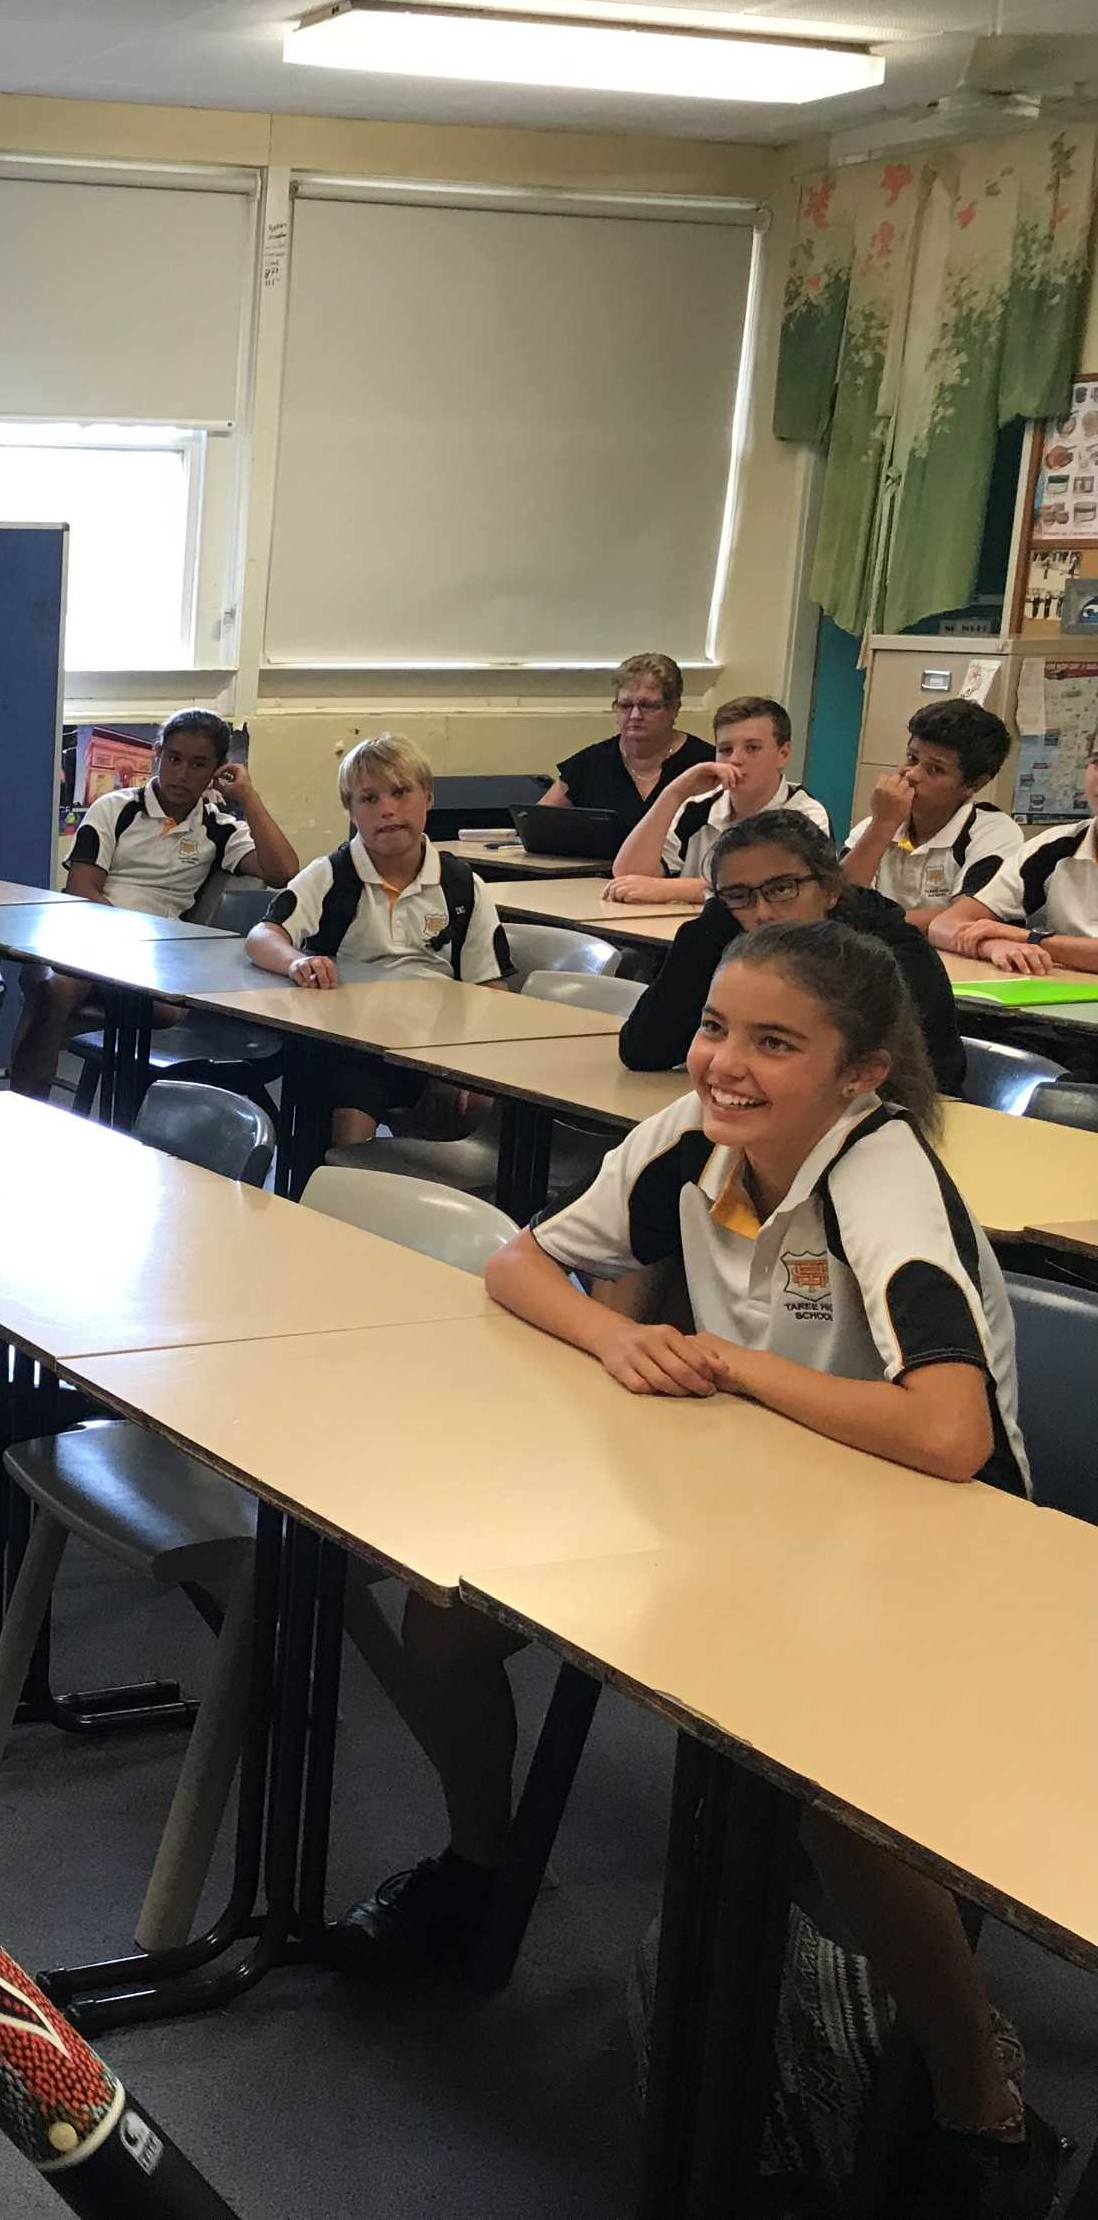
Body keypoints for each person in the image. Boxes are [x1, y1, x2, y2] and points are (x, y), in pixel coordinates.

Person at [353, 919, 1054, 2218]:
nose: (727, 1062)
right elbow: (519, 1261)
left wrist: (731, 1362)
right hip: (743, 1505)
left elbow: (951, 1434)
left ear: (860, 1072)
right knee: (444, 1618)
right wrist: (612, 1340)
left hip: (933, 1548)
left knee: (839, 1799)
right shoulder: (696, 1135)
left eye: (775, 1042)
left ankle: (980, 2100)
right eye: (718, 1027)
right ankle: (478, 1869)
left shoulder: (879, 1174)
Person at [5, 709, 302, 1099]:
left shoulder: (219, 829)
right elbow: (82, 889)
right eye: (174, 758)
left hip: (156, 962)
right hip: (90, 940)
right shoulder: (114, 809)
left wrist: (248, 796)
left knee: (151, 1007)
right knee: (51, 987)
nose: (182, 773)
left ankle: (110, 1110)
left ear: (217, 771)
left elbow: (284, 871)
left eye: (198, 765)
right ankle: (26, 1110)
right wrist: (121, 941)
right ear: (157, 754)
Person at [245, 734, 509, 1152]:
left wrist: (469, 1061)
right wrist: (296, 961)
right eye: (369, 799)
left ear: (428, 798)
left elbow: (491, 988)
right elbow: (263, 934)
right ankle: (345, 1176)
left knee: (485, 1101)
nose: (387, 809)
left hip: (435, 1045)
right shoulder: (332, 874)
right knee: (351, 1093)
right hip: (354, 1043)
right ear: (351, 811)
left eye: (401, 793)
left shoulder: (462, 885)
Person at [620, 809, 966, 1095]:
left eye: (782, 889)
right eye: (739, 895)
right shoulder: (723, 928)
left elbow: (917, 1083)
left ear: (830, 889)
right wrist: (707, 933)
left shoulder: (893, 954)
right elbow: (644, 1050)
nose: (762, 912)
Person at [602, 693, 826, 903]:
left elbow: (763, 887)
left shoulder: (805, 813)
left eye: (752, 748)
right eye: (725, 750)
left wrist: (669, 889)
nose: (735, 759)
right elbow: (628, 874)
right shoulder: (697, 806)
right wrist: (675, 792)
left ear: (783, 754)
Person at [840, 698, 1027, 926]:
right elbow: (837, 904)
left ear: (974, 784)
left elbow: (964, 919)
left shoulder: (993, 833)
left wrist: (872, 922)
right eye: (912, 758)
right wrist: (881, 826)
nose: (912, 775)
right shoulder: (877, 825)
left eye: (935, 769)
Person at [927, 737, 1098, 976]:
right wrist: (992, 945)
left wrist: (1031, 939)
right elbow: (944, 925)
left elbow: (1023, 938)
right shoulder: (1055, 846)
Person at [537, 652, 717, 829]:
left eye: (647, 706)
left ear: (674, 709)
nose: (635, 715)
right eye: (625, 705)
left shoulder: (707, 763)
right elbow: (536, 824)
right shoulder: (589, 764)